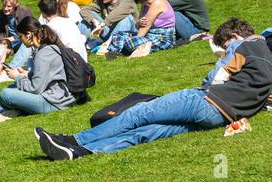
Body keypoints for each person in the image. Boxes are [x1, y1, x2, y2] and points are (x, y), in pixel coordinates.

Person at [37, 18, 272, 159]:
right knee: (149, 132)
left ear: (234, 35)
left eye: (224, 44)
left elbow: (218, 76)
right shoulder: (268, 57)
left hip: (206, 101)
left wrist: (220, 61)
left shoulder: (244, 44)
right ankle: (81, 152)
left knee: (140, 113)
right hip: (223, 116)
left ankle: (73, 140)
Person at [0, 19, 76, 122]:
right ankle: (9, 111)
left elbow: (35, 89)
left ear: (28, 35)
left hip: (53, 102)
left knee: (5, 94)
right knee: (12, 87)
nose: (21, 40)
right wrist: (27, 75)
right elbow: (46, 76)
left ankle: (7, 112)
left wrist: (17, 77)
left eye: (21, 37)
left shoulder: (43, 54)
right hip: (57, 95)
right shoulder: (47, 48)